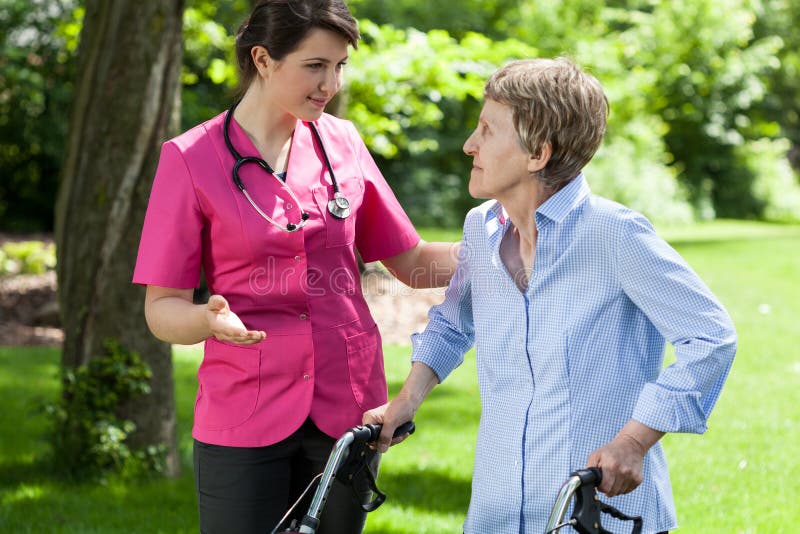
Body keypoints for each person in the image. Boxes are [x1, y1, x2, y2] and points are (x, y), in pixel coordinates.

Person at [364, 57, 737, 534]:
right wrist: (407, 399)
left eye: (487, 131)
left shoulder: (614, 235)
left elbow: (710, 336)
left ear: (538, 154)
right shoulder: (482, 228)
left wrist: (634, 441)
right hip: (498, 510)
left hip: (598, 511)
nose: (469, 144)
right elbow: (453, 324)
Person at [132, 1, 457, 533]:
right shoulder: (190, 158)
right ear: (263, 59)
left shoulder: (343, 142)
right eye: (315, 66)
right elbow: (161, 309)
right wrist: (206, 320)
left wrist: (506, 244)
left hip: (347, 405)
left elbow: (413, 262)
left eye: (339, 66)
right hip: (244, 406)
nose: (331, 84)